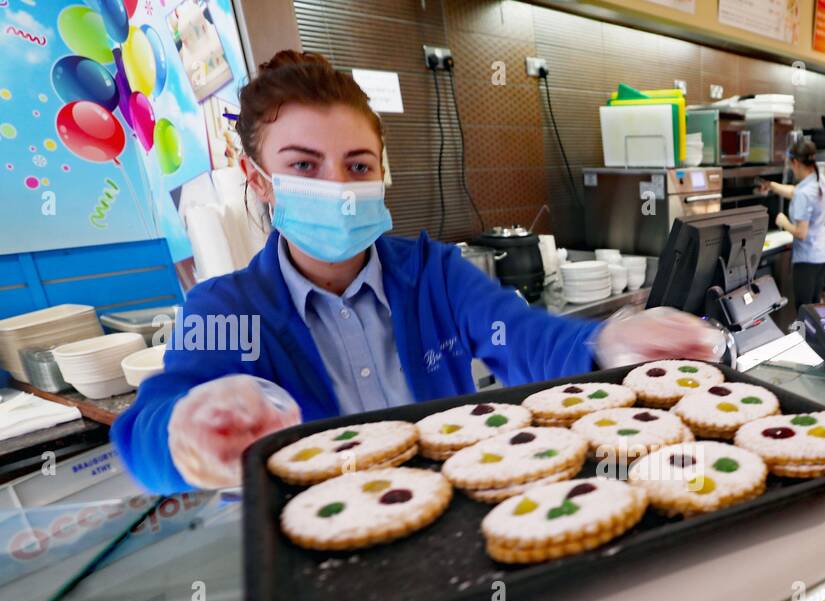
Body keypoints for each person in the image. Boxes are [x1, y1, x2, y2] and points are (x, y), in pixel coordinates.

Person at [112, 51, 714, 493]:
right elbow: (146, 426)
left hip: (452, 508)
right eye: (304, 165)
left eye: (357, 165)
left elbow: (522, 335)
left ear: (381, 171)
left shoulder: (434, 274)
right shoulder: (227, 310)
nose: (338, 188)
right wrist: (180, 431)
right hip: (314, 538)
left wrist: (605, 340)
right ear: (258, 178)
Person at [758, 139, 825, 310]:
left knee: (804, 311)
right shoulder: (820, 180)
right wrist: (771, 185)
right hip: (823, 254)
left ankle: (802, 337)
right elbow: (795, 191)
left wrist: (783, 222)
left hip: (807, 261)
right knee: (815, 310)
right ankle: (812, 337)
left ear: (796, 163)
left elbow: (801, 233)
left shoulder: (804, 194)